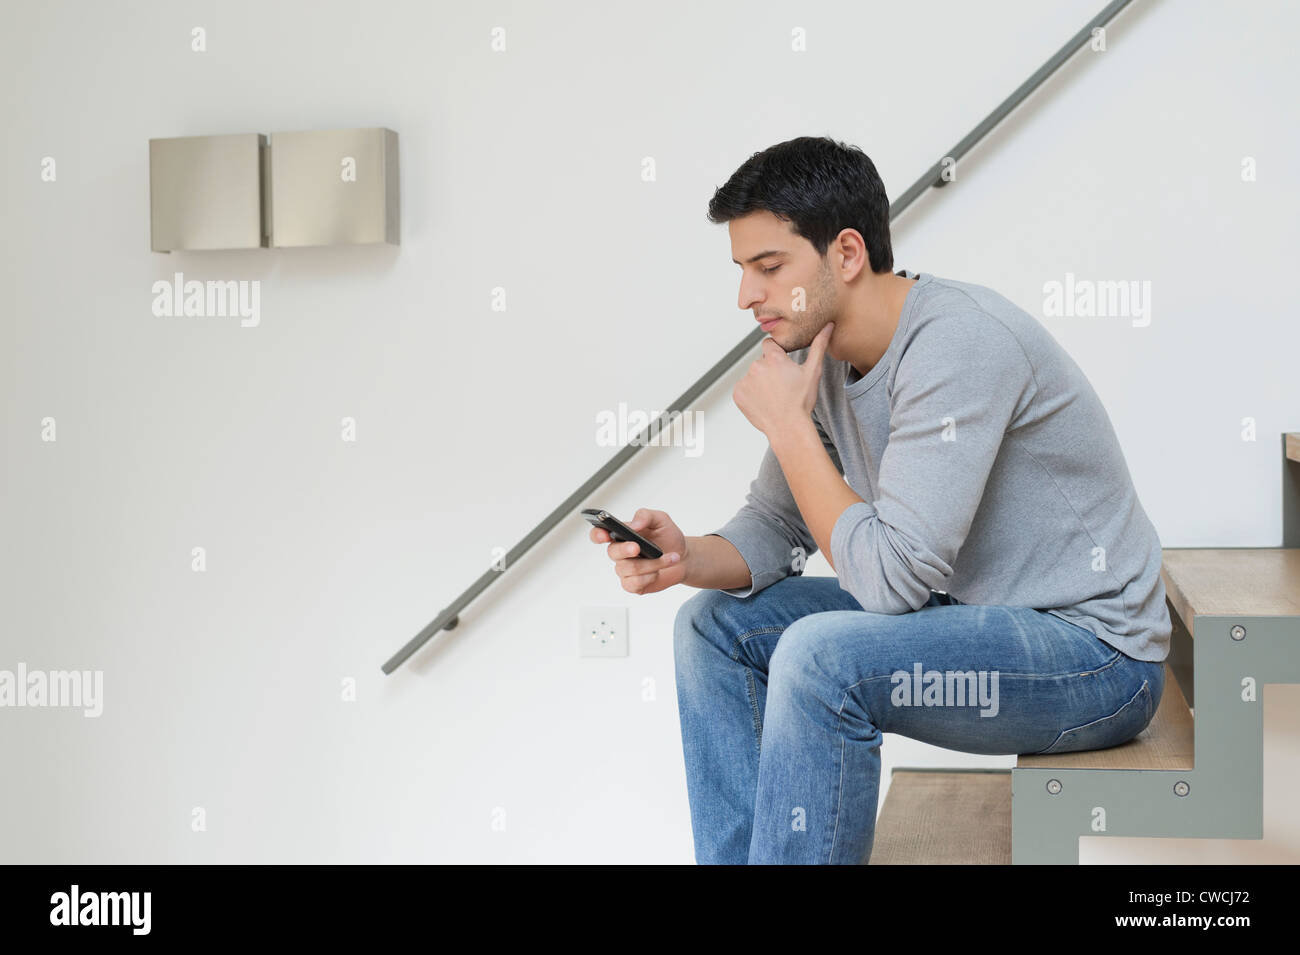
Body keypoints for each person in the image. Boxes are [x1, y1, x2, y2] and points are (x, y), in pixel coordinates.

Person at [588, 135, 1170, 865]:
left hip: (1095, 656)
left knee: (820, 658)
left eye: (769, 267)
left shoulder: (956, 344)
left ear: (848, 254)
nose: (746, 296)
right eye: (741, 271)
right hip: (973, 618)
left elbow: (893, 581)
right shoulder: (821, 357)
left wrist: (791, 426)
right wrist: (683, 555)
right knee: (709, 628)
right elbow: (777, 521)